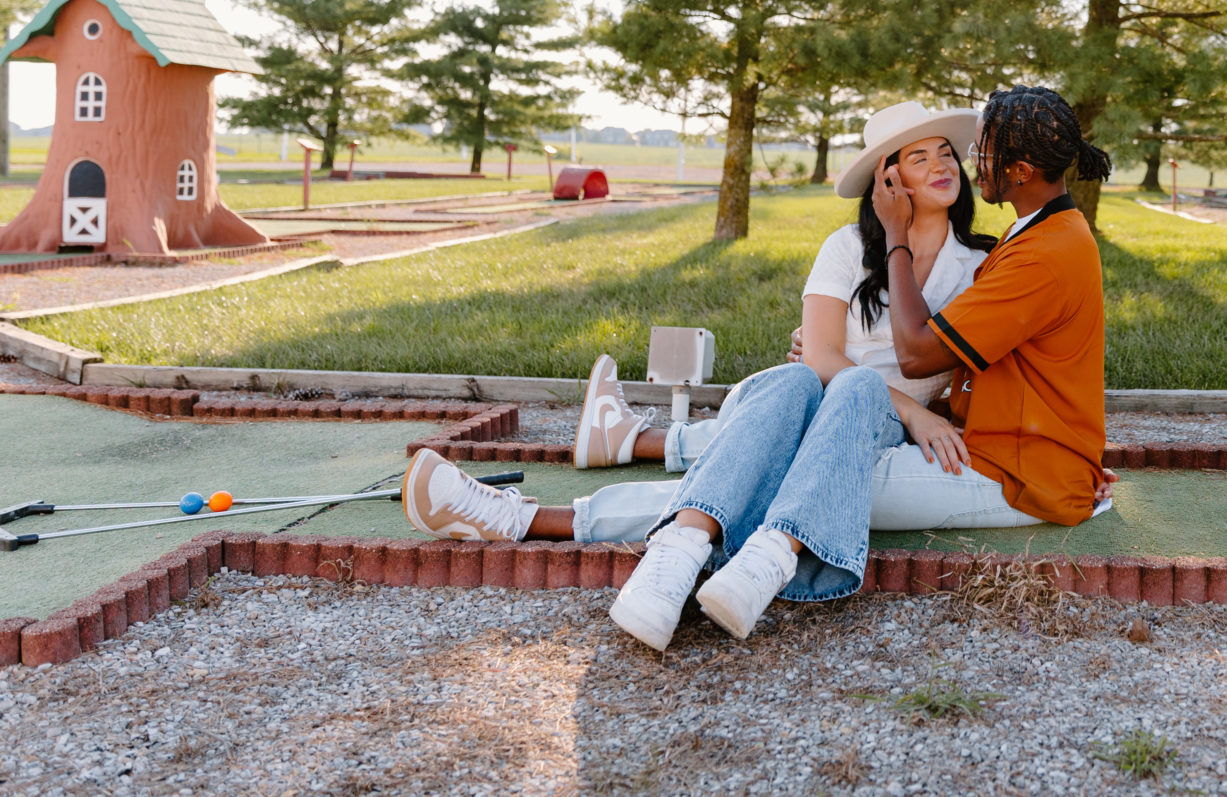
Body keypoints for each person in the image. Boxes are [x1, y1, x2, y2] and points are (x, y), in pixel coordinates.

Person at [400, 87, 1113, 650]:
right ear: (886, 178)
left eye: (963, 151)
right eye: (925, 153)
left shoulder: (1005, 256)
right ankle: (676, 526)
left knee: (782, 459)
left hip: (979, 457)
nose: (959, 161)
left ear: (1015, 169)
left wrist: (1066, 452)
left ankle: (535, 516)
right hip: (877, 421)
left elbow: (933, 357)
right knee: (803, 384)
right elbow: (982, 369)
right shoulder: (1011, 241)